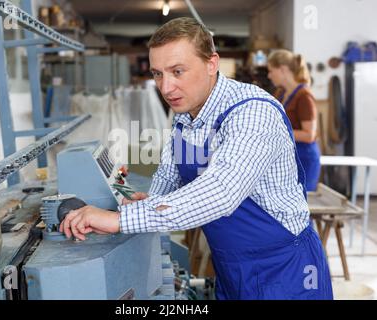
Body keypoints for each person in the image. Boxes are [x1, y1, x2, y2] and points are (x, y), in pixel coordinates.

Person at [60, 17, 333, 300]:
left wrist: (120, 219)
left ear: (211, 64)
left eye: (178, 71)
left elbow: (221, 191)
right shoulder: (185, 117)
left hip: (284, 269)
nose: (166, 88)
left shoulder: (252, 112)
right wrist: (147, 203)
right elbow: (169, 176)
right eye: (157, 74)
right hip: (230, 267)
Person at [267, 50, 321, 191]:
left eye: (271, 71)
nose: (269, 75)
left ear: (283, 69)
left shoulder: (304, 96)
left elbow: (309, 135)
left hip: (304, 157)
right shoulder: (280, 93)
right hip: (287, 157)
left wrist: (277, 132)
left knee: (302, 205)